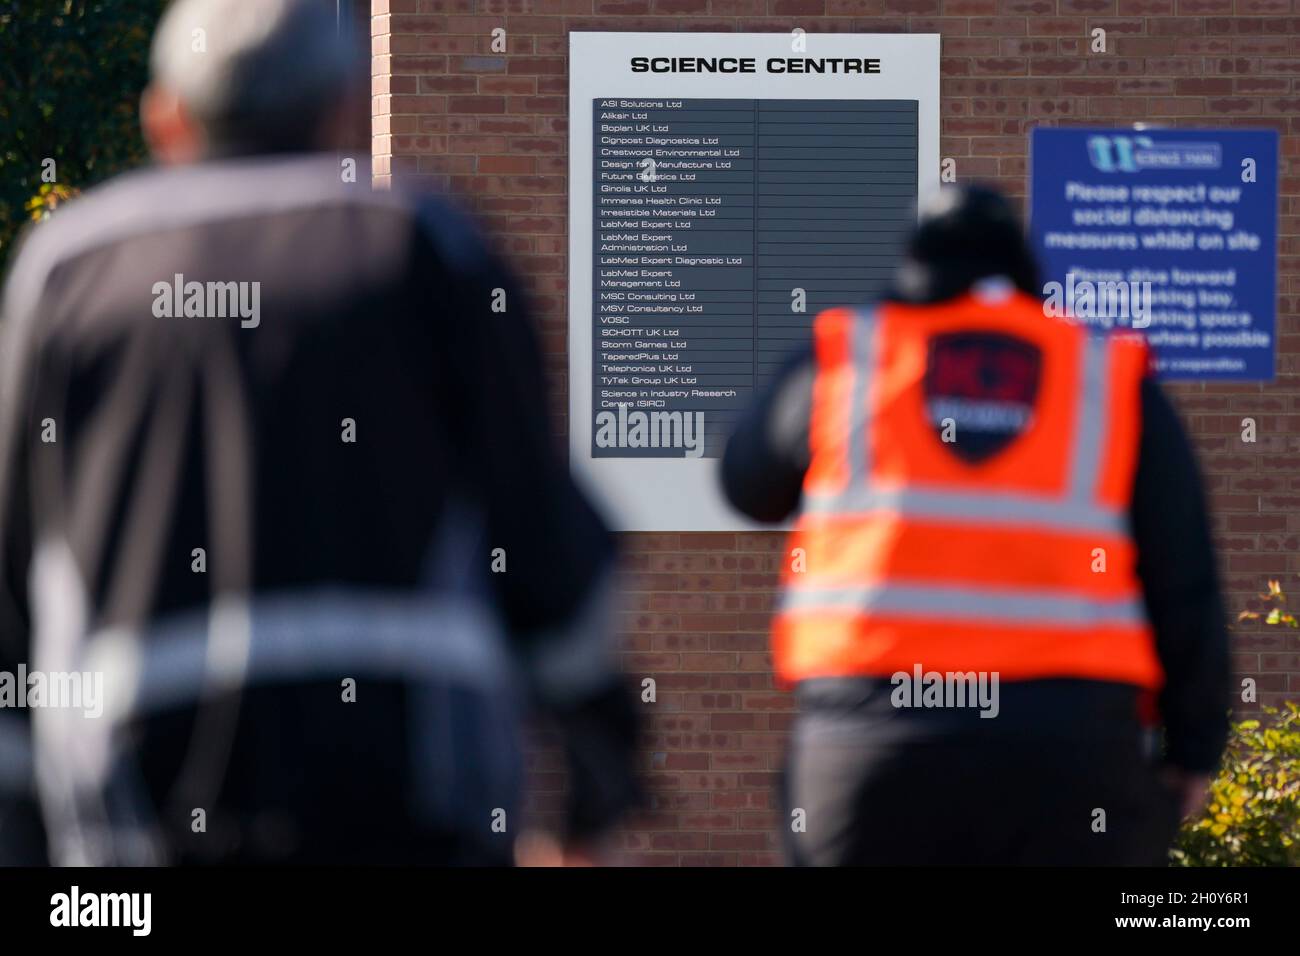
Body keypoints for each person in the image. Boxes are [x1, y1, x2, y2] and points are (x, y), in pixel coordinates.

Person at [0, 0, 637, 865]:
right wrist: (597, 753)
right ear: (344, 105)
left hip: (141, 787)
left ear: (165, 117)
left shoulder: (68, 271)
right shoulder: (426, 245)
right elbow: (538, 535)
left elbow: (14, 560)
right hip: (408, 787)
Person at [721, 185, 1229, 866]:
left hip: (872, 746)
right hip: (1068, 753)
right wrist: (1194, 750)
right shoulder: (1105, 376)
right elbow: (1184, 580)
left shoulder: (849, 360)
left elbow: (746, 485)